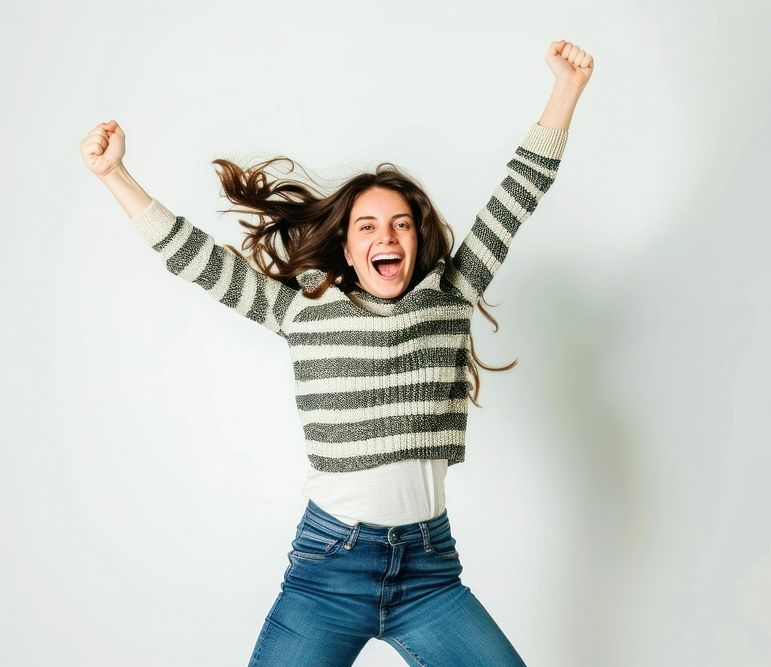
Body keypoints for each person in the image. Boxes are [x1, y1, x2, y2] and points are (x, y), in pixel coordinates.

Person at [80, 38, 593, 666]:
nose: (387, 235)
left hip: (429, 574)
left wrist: (566, 89)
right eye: (368, 226)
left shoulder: (452, 294)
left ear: (418, 238)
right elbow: (201, 262)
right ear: (348, 250)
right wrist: (115, 176)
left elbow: (518, 195)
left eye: (401, 224)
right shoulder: (304, 308)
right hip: (329, 571)